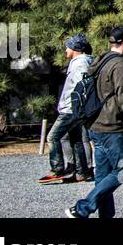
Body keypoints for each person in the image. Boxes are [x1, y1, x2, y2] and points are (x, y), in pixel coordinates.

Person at [67, 26, 123, 219]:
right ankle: (83, 207)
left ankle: (106, 216)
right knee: (122, 172)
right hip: (112, 127)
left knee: (103, 175)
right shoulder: (119, 64)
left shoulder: (100, 60)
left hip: (94, 125)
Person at [39, 34, 94, 185]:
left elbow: (80, 87)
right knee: (76, 140)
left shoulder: (80, 63)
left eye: (68, 46)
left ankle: (57, 168)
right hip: (73, 109)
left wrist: (75, 105)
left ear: (75, 48)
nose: (65, 49)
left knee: (52, 137)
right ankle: (81, 172)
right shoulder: (79, 62)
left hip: (70, 109)